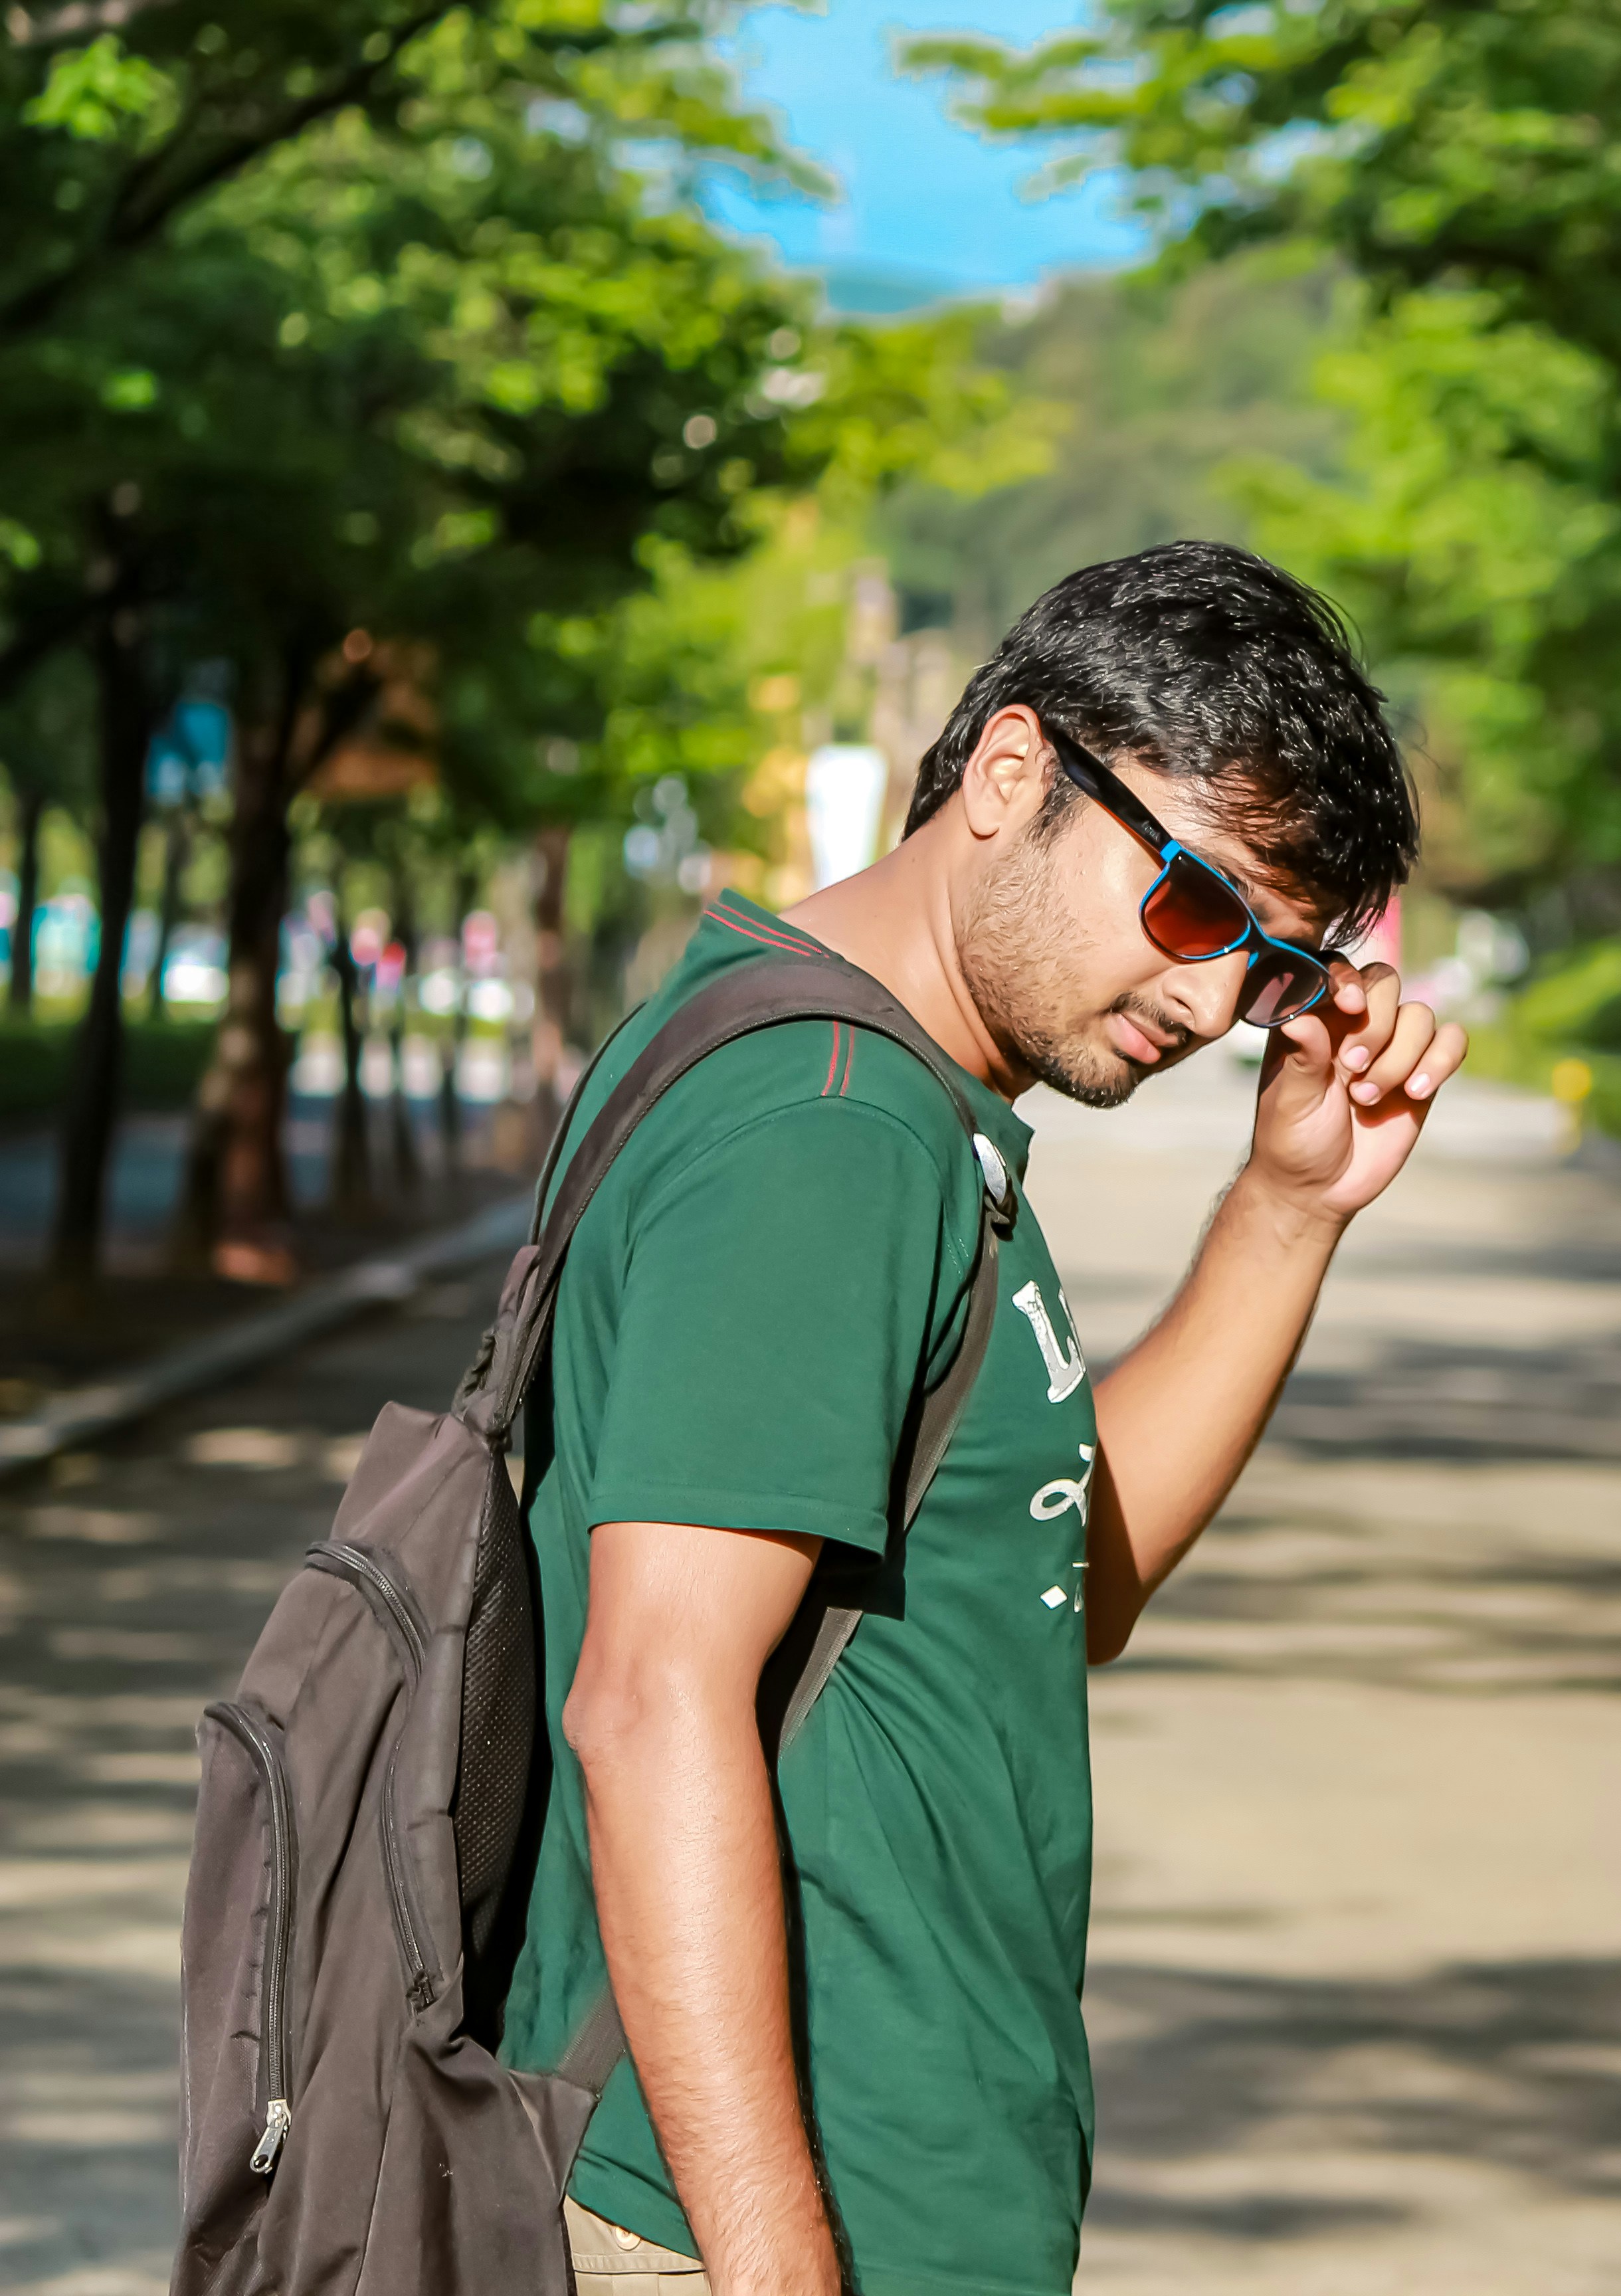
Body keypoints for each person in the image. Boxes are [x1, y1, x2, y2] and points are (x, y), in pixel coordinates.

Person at [492, 543, 1463, 2296]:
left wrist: (1291, 1205)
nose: (1211, 1001)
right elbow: (651, 1701)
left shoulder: (878, 1096)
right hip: (747, 2226)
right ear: (1011, 772)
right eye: (1193, 907)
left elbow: (1061, 1580)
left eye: (1275, 971)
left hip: (877, 2200)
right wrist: (779, 2267)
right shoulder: (831, 1134)